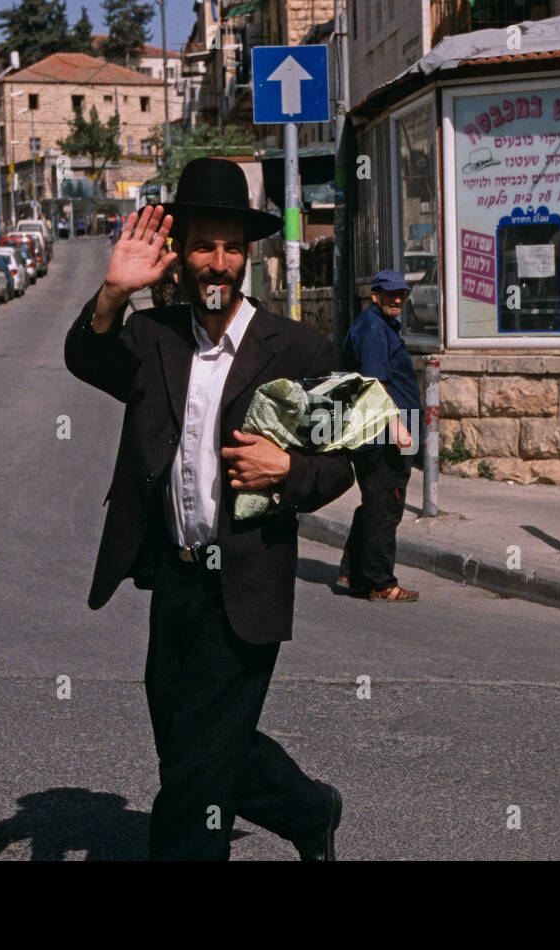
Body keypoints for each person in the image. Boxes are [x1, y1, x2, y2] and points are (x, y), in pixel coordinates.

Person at [64, 157, 354, 861]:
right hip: (177, 581)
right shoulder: (153, 338)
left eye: (230, 247)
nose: (217, 262)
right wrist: (111, 293)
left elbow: (354, 458)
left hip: (248, 584)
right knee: (190, 746)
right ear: (182, 256)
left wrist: (289, 470)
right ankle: (311, 809)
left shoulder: (298, 349)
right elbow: (85, 356)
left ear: (246, 255)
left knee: (192, 787)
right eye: (202, 245)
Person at [336, 270, 422, 603]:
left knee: (374, 503)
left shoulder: (376, 325)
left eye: (401, 294)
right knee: (385, 505)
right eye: (389, 294)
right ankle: (380, 582)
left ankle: (352, 570)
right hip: (382, 434)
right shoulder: (373, 328)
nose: (396, 299)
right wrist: (397, 425)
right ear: (375, 296)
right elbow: (376, 383)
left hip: (376, 431)